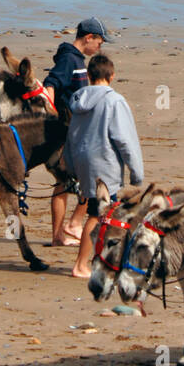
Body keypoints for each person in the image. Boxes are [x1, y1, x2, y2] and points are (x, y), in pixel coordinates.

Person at [64, 51, 144, 278]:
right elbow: (125, 139)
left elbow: (71, 137)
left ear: (89, 75)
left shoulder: (78, 100)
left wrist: (71, 170)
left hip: (82, 161)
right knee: (99, 216)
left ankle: (112, 260)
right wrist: (137, 174)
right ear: (112, 76)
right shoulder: (114, 101)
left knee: (106, 213)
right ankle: (81, 265)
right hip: (104, 163)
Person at [44, 17, 111, 246]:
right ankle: (62, 232)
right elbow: (51, 82)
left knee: (74, 181)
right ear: (89, 37)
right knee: (69, 181)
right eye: (100, 42)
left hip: (76, 130)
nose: (100, 47)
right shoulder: (69, 59)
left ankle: (71, 225)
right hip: (66, 131)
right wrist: (50, 109)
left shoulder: (78, 60)